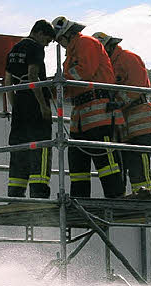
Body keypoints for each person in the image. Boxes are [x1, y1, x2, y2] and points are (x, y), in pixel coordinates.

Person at [51, 17, 124, 198]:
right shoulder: (70, 56)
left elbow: (84, 71)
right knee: (77, 163)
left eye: (60, 39)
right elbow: (71, 85)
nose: (60, 44)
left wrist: (62, 80)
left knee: (106, 162)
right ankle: (80, 201)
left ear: (68, 34)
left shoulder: (86, 43)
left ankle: (115, 198)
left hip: (98, 112)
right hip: (81, 117)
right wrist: (53, 90)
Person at [92, 32, 151, 199]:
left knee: (138, 157)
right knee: (127, 159)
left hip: (139, 117)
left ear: (108, 45)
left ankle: (144, 193)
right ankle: (136, 194)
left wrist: (120, 101)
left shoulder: (128, 58)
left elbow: (138, 86)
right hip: (124, 120)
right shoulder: (108, 64)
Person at [3, 20, 56, 198]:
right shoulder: (35, 48)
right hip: (34, 103)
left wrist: (14, 105)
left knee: (19, 149)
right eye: (47, 41)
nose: (46, 45)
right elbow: (33, 76)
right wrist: (43, 106)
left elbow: (8, 82)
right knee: (40, 147)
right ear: (40, 33)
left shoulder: (14, 49)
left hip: (19, 102)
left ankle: (15, 195)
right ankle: (38, 195)